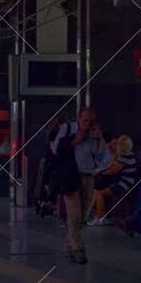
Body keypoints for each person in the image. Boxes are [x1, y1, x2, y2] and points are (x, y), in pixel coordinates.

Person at [47, 107, 107, 263]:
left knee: (83, 215)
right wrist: (75, 140)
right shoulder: (68, 129)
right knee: (74, 215)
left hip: (88, 175)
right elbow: (56, 150)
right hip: (70, 176)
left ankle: (70, 244)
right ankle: (78, 249)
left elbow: (101, 156)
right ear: (79, 118)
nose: (87, 124)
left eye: (91, 121)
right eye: (85, 120)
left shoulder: (95, 134)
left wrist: (97, 140)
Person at [91, 134, 138, 224]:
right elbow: (110, 165)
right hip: (121, 182)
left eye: (118, 144)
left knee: (100, 193)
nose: (116, 146)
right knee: (97, 189)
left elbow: (113, 170)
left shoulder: (126, 158)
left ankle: (99, 218)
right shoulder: (126, 155)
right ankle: (98, 215)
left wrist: (101, 172)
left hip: (124, 185)